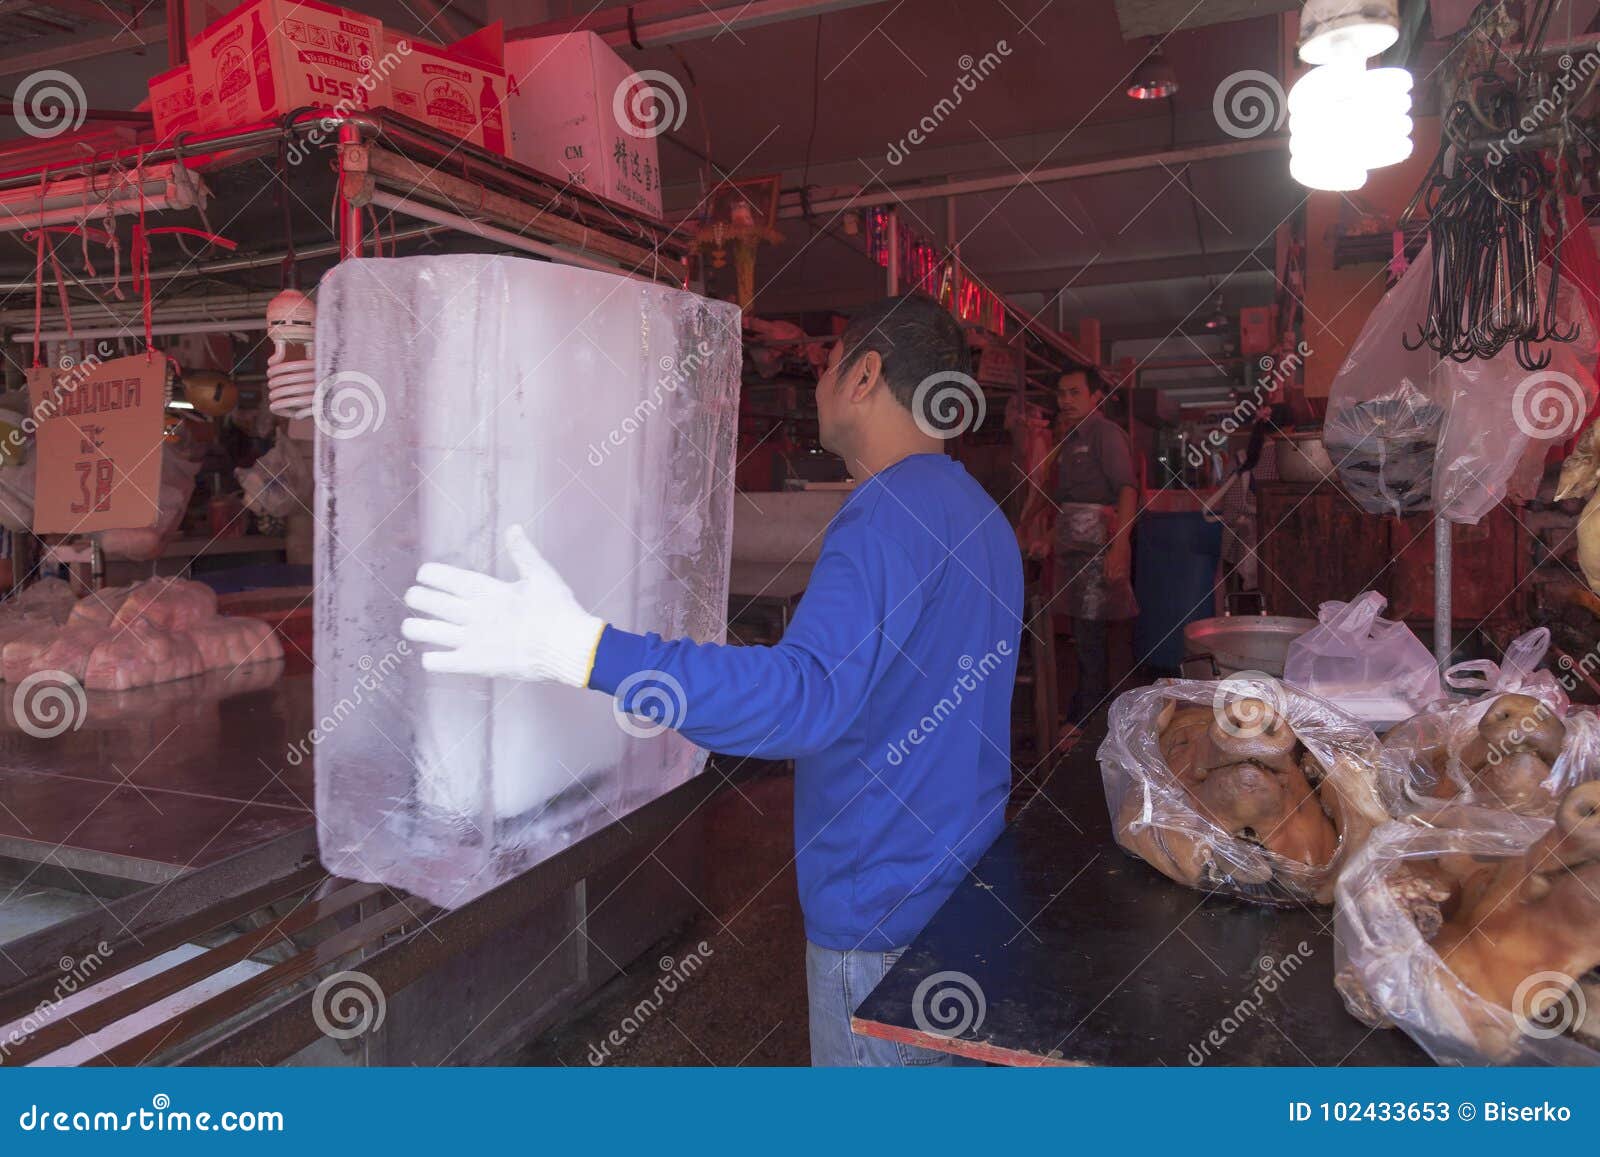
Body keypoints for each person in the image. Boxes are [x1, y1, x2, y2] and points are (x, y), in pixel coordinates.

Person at [400, 293, 1023, 1067]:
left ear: (865, 375)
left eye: (830, 366)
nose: (819, 384)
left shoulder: (885, 514)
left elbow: (804, 699)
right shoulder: (981, 517)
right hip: (968, 894)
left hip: (882, 919)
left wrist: (583, 649)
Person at [1019, 370, 1138, 726]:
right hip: (1075, 552)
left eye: (1075, 393)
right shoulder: (1068, 440)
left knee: (1094, 636)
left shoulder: (1105, 434)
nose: (1066, 401)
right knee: (1083, 636)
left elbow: (1128, 490)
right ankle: (1088, 713)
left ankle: (1092, 721)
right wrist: (1034, 530)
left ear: (1095, 397)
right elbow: (1063, 499)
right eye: (1061, 394)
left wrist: (1120, 548)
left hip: (1100, 549)